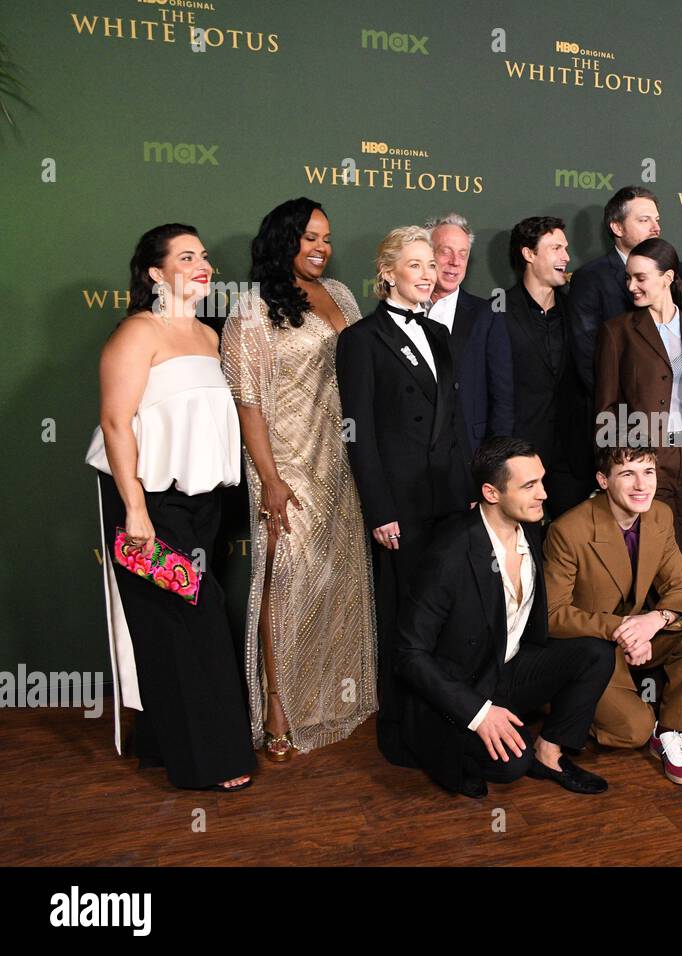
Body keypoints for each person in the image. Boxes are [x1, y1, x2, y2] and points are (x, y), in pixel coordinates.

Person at [87, 223, 255, 790]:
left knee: (175, 627)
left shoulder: (210, 337)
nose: (203, 264)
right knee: (194, 623)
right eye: (186, 257)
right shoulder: (139, 332)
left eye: (204, 256)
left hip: (201, 505)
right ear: (156, 273)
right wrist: (135, 510)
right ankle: (211, 761)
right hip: (149, 500)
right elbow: (115, 422)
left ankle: (162, 744)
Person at [223, 198, 378, 760]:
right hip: (287, 463)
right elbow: (247, 403)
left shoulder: (340, 295)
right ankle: (278, 712)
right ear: (284, 239)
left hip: (344, 460)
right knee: (286, 579)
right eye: (309, 237)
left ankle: (334, 700)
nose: (320, 248)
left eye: (327, 239)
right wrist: (268, 477)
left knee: (338, 584)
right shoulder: (251, 308)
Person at [395, 438, 615, 798]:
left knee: (596, 653)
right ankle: (467, 744)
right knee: (512, 765)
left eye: (541, 481)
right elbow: (408, 654)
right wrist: (479, 713)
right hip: (459, 687)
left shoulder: (530, 525)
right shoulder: (449, 554)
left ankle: (550, 752)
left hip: (505, 667)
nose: (544, 494)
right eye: (529, 486)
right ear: (491, 493)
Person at [335, 225, 472, 765]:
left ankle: (444, 722)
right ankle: (400, 733)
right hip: (402, 506)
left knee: (446, 615)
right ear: (387, 273)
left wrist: (468, 493)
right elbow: (358, 431)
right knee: (405, 619)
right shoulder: (360, 341)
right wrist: (380, 509)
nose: (428, 275)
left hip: (448, 500)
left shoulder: (439, 335)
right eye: (415, 265)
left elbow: (455, 423)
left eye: (431, 266)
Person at [543, 446, 682, 785]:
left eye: (648, 472)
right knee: (634, 730)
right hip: (592, 647)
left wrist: (656, 620)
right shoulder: (569, 530)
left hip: (643, 632)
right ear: (603, 480)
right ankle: (573, 702)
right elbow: (553, 615)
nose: (642, 485)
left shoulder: (660, 515)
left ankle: (673, 730)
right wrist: (626, 628)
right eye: (627, 473)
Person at [593, 238, 682, 567]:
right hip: (643, 460)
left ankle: (676, 617)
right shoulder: (617, 332)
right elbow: (606, 408)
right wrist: (618, 466)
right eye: (628, 278)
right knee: (645, 552)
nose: (631, 286)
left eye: (640, 278)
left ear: (667, 278)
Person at [501, 216, 592, 519]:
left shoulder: (577, 311)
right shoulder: (497, 313)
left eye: (565, 249)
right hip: (520, 455)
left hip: (574, 458)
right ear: (529, 254)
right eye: (555, 248)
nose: (566, 257)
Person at [569, 186, 682, 394]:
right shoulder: (590, 278)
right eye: (644, 220)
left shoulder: (677, 269)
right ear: (617, 228)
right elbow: (587, 355)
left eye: (657, 220)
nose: (656, 228)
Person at [424, 213, 514, 455]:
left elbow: (502, 396)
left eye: (463, 254)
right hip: (413, 452)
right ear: (426, 254)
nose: (455, 262)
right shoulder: (403, 312)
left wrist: (496, 459)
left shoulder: (487, 315)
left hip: (470, 453)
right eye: (446, 252)